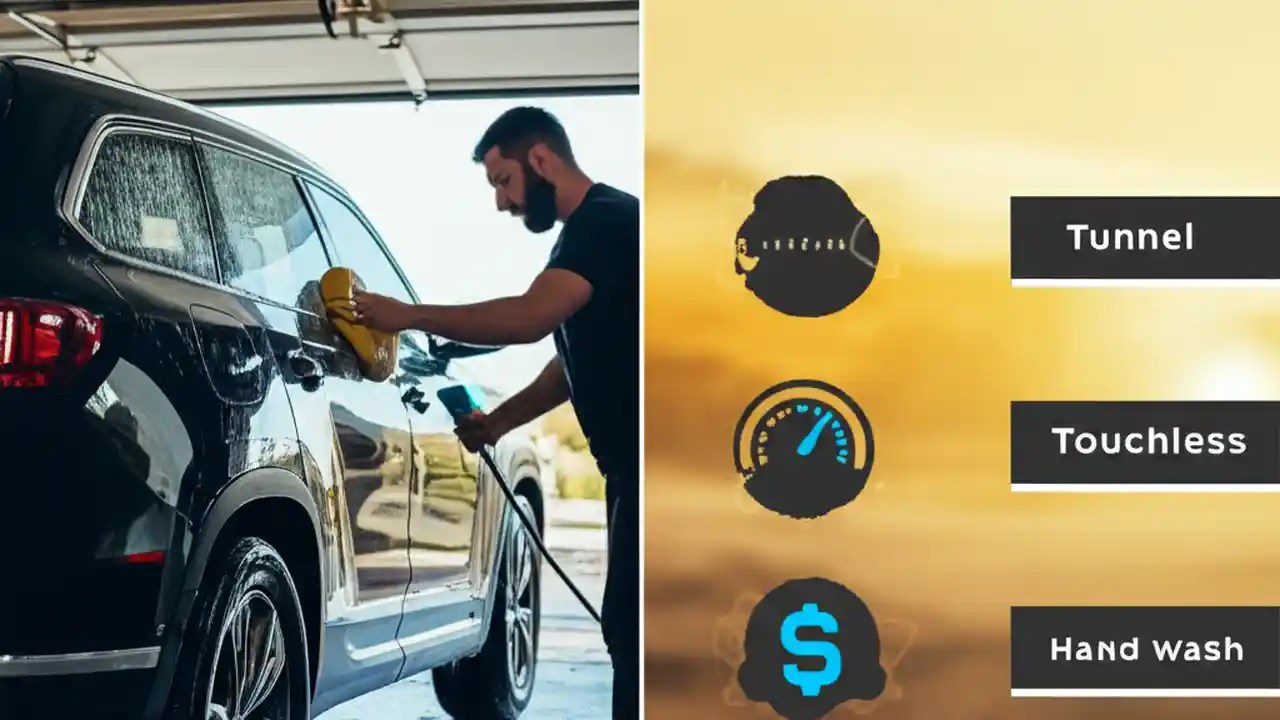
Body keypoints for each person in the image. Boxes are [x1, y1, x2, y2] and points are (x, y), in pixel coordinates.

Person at [349, 106, 640, 718]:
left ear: (540, 159)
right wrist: (498, 423)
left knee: (637, 636)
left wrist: (410, 314)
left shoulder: (606, 221)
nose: (503, 204)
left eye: (503, 182)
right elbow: (571, 364)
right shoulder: (593, 234)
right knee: (631, 630)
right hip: (635, 468)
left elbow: (529, 319)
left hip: (656, 466)